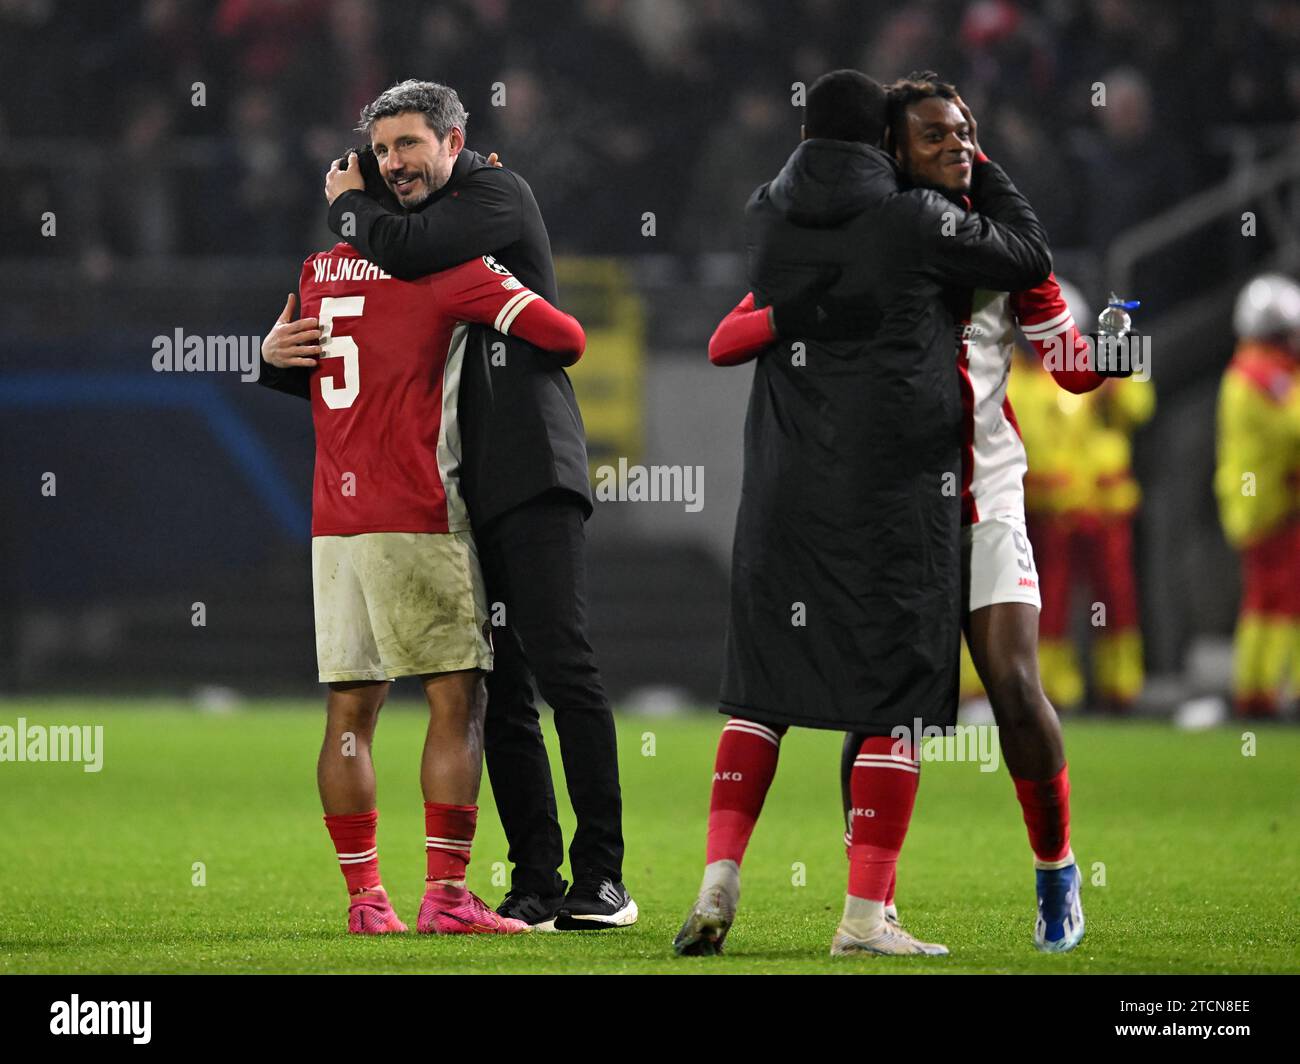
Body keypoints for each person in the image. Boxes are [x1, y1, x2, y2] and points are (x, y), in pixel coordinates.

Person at [673, 69, 1052, 959]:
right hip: (891, 493)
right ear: (886, 144)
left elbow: (730, 337)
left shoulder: (770, 215)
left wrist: (805, 308)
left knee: (761, 693)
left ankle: (717, 882)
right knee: (894, 701)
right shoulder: (916, 223)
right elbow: (1027, 255)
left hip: (782, 487)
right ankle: (863, 919)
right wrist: (984, 164)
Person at [259, 80, 634, 930]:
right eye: (382, 151)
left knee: (562, 672)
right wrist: (276, 358)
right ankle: (534, 878)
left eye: (408, 147)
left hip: (528, 473)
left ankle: (602, 877)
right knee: (494, 690)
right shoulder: (411, 255)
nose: (395, 165)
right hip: (450, 489)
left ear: (455, 141)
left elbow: (404, 252)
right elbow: (371, 338)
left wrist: (344, 203)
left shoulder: (491, 199)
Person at [1214, 273, 1300, 719]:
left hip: (1263, 499)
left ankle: (1257, 688)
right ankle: (1259, 690)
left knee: (1268, 599)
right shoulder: (1265, 374)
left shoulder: (1251, 368)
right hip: (1270, 502)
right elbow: (1293, 430)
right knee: (1274, 599)